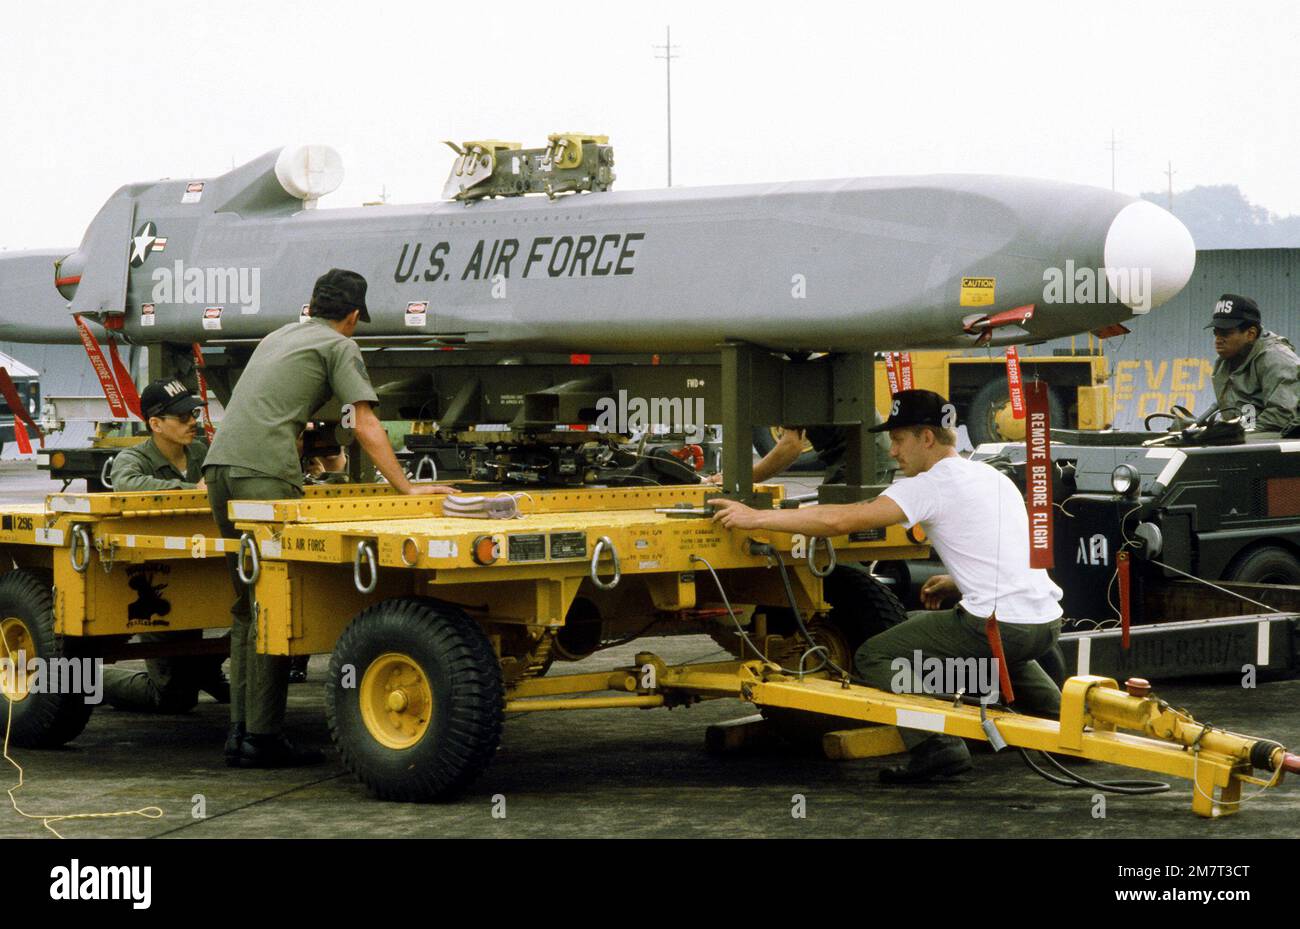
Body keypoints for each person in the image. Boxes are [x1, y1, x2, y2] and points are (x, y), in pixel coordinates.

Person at [712, 389, 1064, 782]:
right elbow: (1008, 547)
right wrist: (956, 581)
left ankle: (936, 745)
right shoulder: (989, 474)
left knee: (876, 654)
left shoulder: (929, 485)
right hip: (1045, 623)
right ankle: (1063, 727)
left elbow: (839, 521)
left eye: (898, 440)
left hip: (1003, 628)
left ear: (926, 438)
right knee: (988, 640)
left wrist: (755, 519)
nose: (893, 451)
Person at [203, 268, 458, 768]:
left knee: (246, 603)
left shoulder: (280, 335)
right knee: (274, 602)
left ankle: (240, 732)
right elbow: (364, 422)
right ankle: (262, 738)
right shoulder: (340, 346)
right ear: (354, 315)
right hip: (262, 473)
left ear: (311, 302)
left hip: (219, 469)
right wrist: (405, 487)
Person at [103, 379, 229, 712]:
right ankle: (95, 681)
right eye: (183, 416)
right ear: (155, 424)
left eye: (194, 413)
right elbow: (126, 484)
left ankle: (204, 669)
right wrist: (191, 491)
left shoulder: (201, 453)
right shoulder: (133, 459)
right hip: (158, 576)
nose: (193, 421)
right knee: (172, 698)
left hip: (201, 565)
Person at [1208, 294, 1300, 433]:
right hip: (1253, 441)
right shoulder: (1223, 362)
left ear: (1250, 333)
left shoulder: (1277, 358)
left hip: (1282, 445)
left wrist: (1235, 435)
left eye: (1225, 333)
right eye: (1216, 333)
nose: (1218, 340)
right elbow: (1237, 416)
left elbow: (1281, 417)